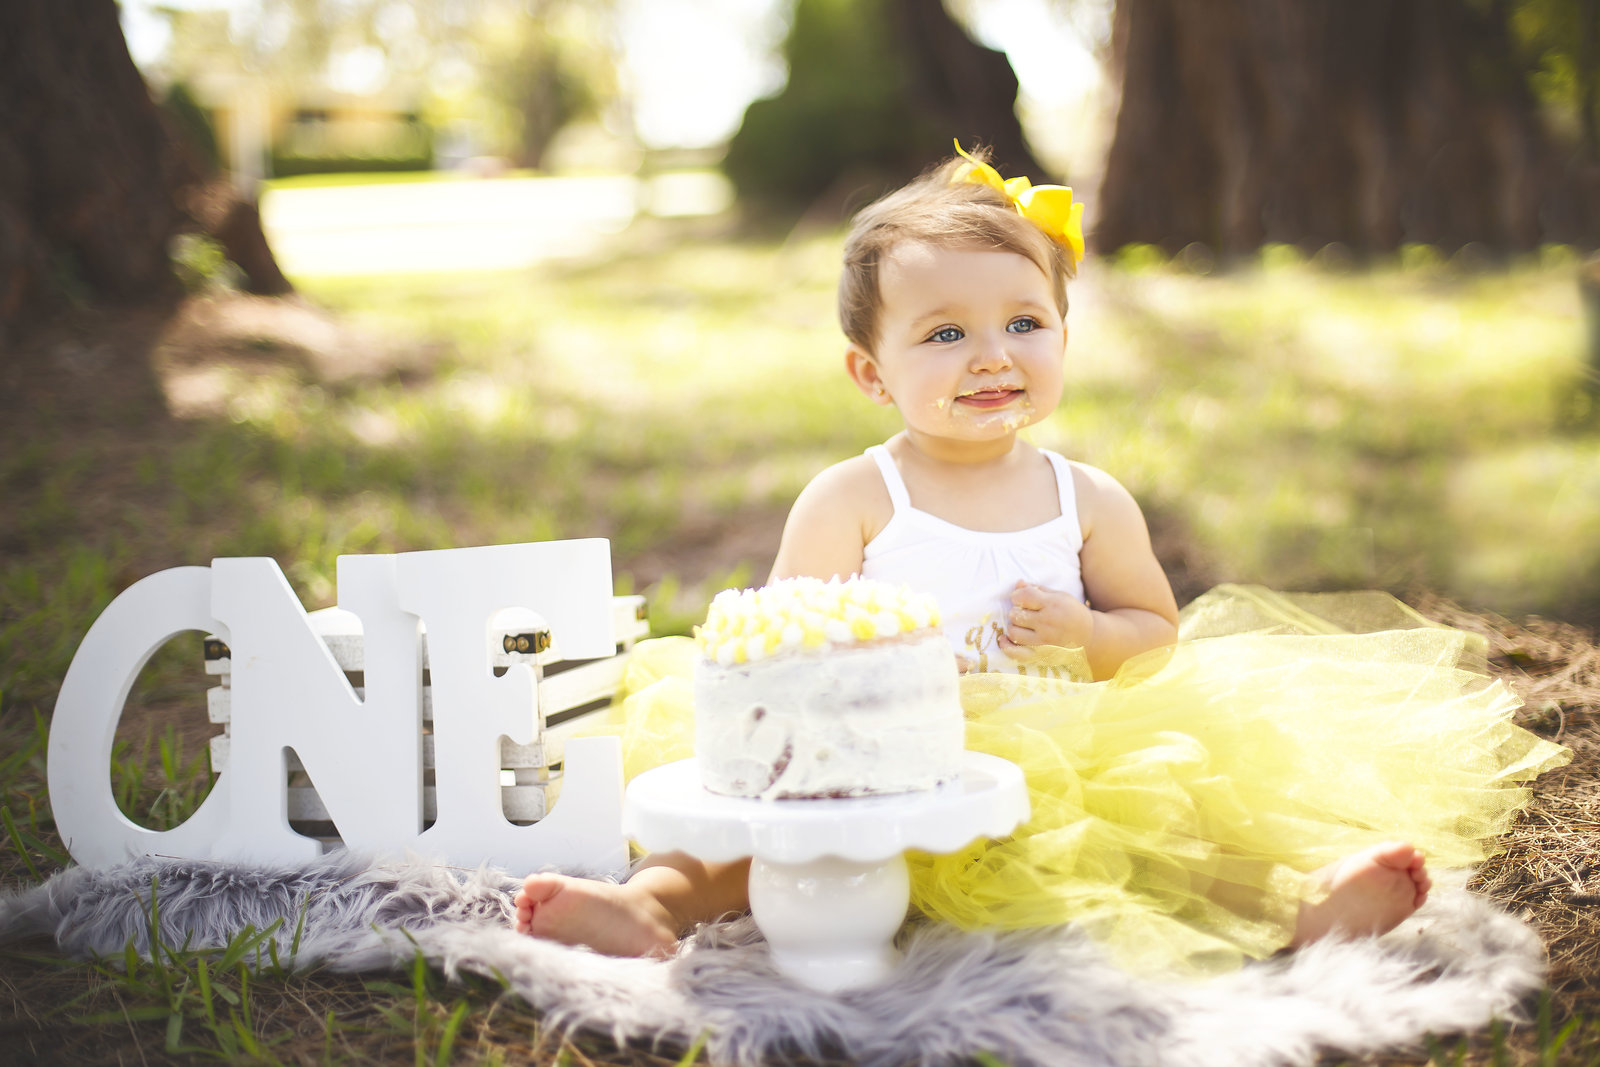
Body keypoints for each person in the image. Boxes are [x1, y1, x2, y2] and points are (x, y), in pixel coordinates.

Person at [514, 144, 1567, 972]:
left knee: (1169, 818)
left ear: (1063, 334)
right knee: (761, 836)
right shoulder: (853, 496)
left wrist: (1085, 634)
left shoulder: (1086, 500)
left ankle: (1299, 894)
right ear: (869, 372)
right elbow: (788, 649)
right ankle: (645, 902)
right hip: (868, 762)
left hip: (1060, 747)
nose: (991, 354)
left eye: (1024, 321)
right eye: (942, 334)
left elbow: (1155, 634)